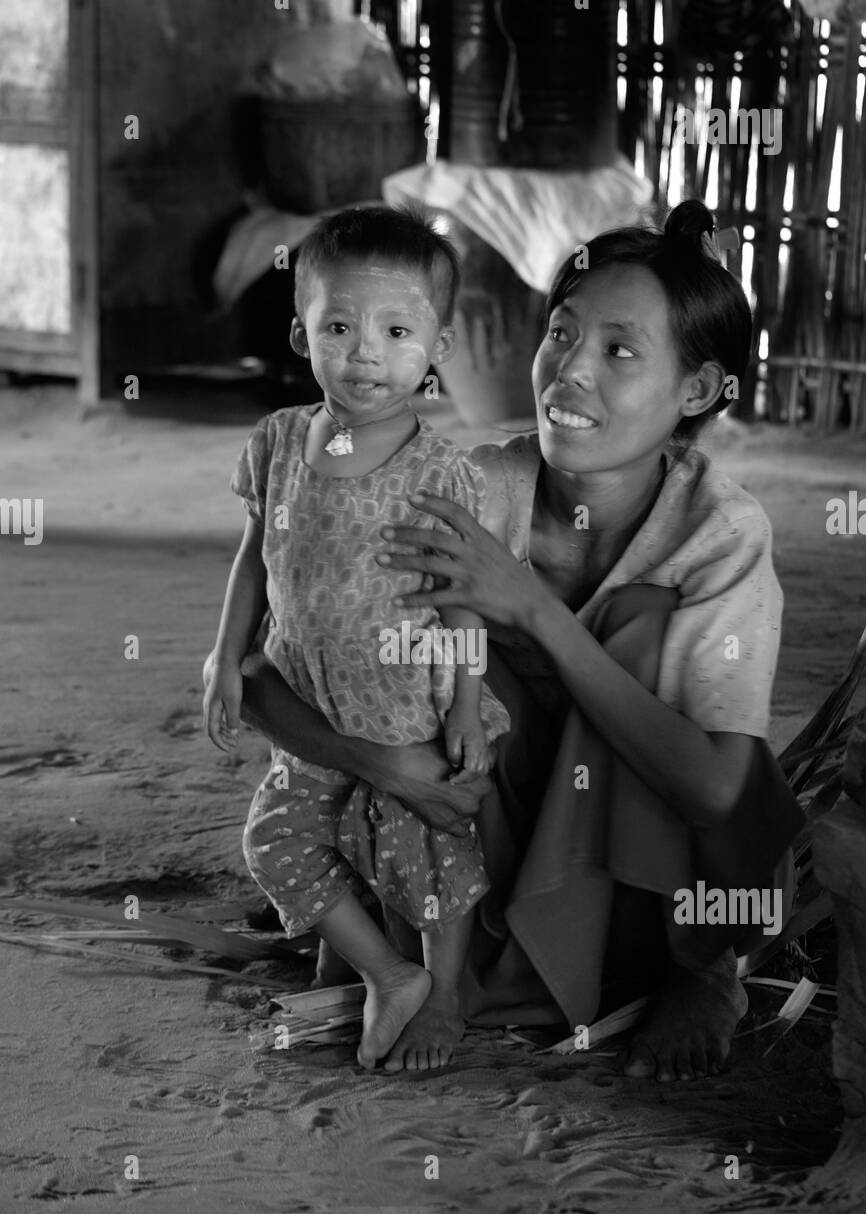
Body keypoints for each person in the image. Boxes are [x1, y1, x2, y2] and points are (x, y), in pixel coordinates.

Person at [210, 199, 803, 1080]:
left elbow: (720, 789)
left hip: (652, 859)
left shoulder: (718, 531)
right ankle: (458, 968)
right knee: (438, 678)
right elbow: (269, 675)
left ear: (697, 390)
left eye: (620, 351)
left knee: (633, 637)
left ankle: (703, 965)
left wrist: (532, 610)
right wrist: (388, 765)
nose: (570, 371)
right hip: (494, 836)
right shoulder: (460, 489)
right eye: (561, 333)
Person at [203, 205, 510, 1071]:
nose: (366, 353)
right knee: (278, 842)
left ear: (439, 346)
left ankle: (443, 996)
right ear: (301, 336)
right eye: (339, 327)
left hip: (407, 707)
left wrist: (464, 705)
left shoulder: (440, 470)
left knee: (426, 858)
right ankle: (386, 974)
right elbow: (253, 560)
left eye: (397, 331)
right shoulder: (276, 443)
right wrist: (224, 656)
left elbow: (460, 601)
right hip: (307, 704)